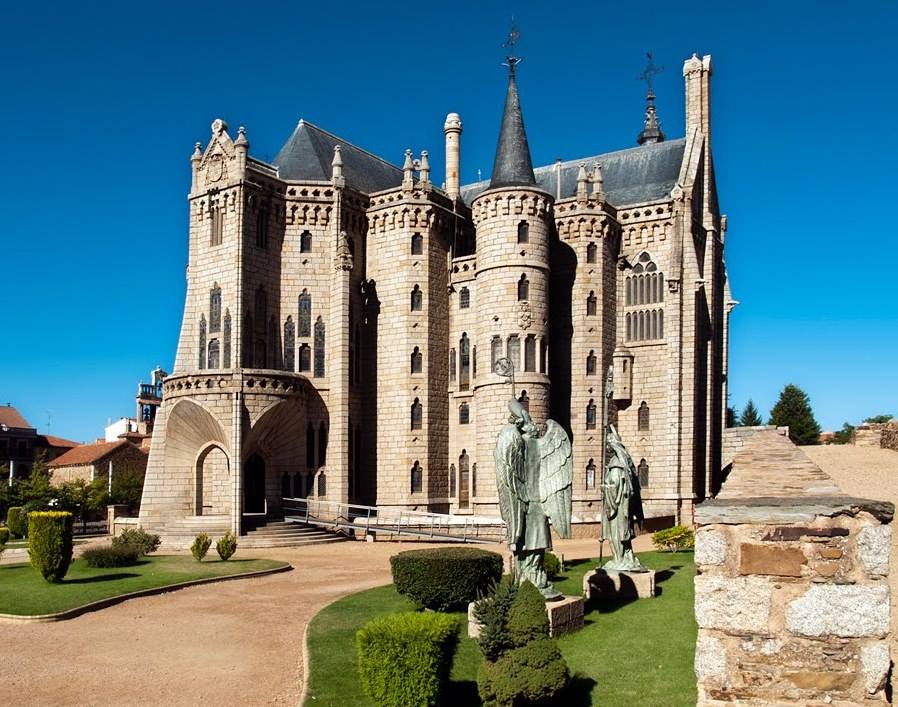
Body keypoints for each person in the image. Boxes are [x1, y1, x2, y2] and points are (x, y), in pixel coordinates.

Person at [602, 424, 648, 572]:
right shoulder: (624, 462)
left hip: (617, 508)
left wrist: (605, 488)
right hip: (623, 508)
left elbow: (616, 487)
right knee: (621, 534)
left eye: (608, 444)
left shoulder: (616, 465)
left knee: (616, 534)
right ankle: (623, 558)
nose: (607, 447)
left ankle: (619, 559)